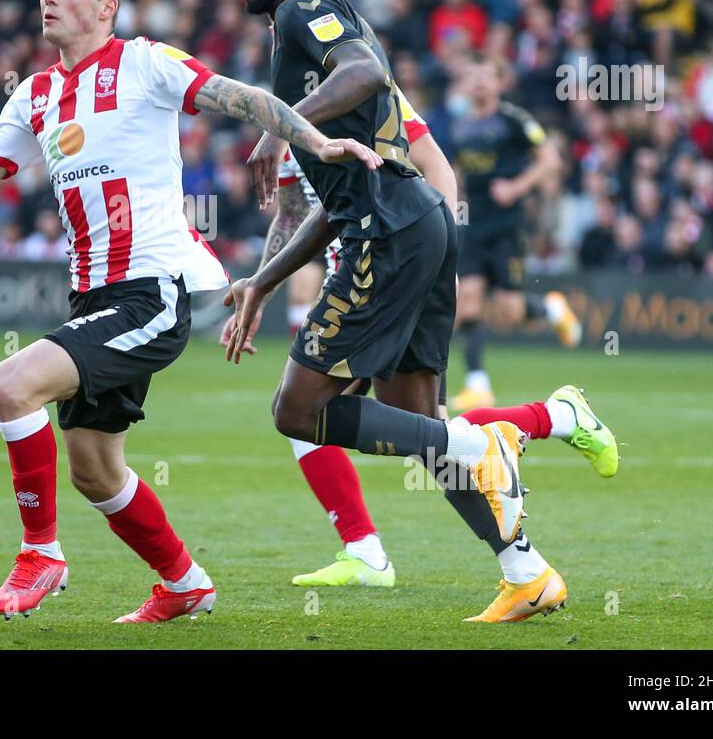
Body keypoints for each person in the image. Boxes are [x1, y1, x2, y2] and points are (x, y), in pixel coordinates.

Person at [0, 0, 380, 622]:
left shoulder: (145, 62)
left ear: (106, 7)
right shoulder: (34, 95)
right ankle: (186, 583)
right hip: (93, 296)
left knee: (10, 383)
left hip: (149, 291)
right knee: (94, 468)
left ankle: (41, 554)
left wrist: (314, 138)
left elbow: (237, 96)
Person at [223, 0, 568, 622]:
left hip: (392, 231)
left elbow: (365, 70)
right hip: (411, 219)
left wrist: (279, 122)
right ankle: (525, 570)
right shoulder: (307, 29)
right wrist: (264, 279)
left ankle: (484, 441)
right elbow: (338, 198)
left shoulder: (305, 9)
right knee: (418, 420)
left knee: (298, 409)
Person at [222, 90, 618, 589]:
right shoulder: (285, 119)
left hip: (393, 266)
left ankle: (367, 549)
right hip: (357, 272)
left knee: (304, 410)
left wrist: (442, 255)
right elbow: (292, 213)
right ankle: (551, 440)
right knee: (419, 432)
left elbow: (438, 167)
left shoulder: (365, 88)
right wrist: (260, 288)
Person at [450, 54, 582, 412]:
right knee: (469, 300)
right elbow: (458, 172)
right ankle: (478, 385)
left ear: (499, 82)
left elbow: (550, 160)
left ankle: (550, 308)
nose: (478, 82)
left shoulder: (513, 120)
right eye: (472, 75)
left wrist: (517, 187)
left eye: (486, 75)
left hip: (507, 226)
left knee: (509, 311)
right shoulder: (460, 126)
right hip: (473, 225)